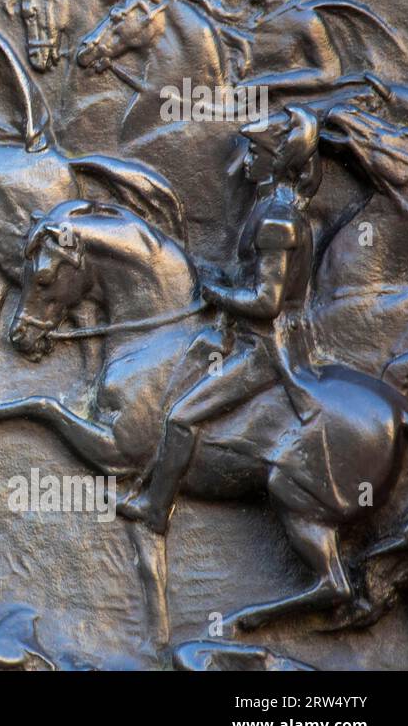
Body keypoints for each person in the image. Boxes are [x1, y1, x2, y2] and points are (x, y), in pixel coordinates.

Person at [120, 106, 322, 534]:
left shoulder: (277, 220)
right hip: (248, 337)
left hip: (266, 348)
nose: (246, 160)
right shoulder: (271, 207)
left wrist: (214, 293)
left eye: (254, 152)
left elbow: (266, 302)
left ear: (276, 161)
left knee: (179, 416)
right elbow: (255, 279)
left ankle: (156, 513)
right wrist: (217, 278)